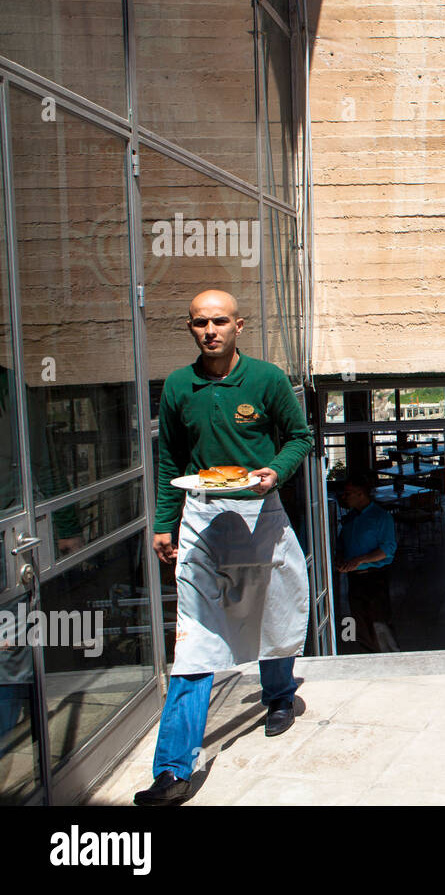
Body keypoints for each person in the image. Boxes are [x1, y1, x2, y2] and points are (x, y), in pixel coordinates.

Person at [134, 290, 312, 806]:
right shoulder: (176, 386)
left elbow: (298, 437)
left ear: (239, 325)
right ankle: (172, 770)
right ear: (189, 329)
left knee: (272, 611)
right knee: (192, 640)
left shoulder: (267, 380)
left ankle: (279, 696)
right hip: (202, 517)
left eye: (219, 321)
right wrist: (165, 523)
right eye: (199, 323)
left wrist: (275, 471)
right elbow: (171, 459)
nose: (209, 330)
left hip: (260, 512)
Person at [336, 469, 399, 653]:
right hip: (354, 577)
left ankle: (390, 658)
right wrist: (340, 558)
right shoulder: (351, 518)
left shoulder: (381, 517)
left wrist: (359, 560)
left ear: (360, 494)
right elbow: (341, 543)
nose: (344, 497)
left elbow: (387, 549)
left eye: (348, 493)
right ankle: (368, 656)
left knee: (379, 622)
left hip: (374, 576)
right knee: (360, 622)